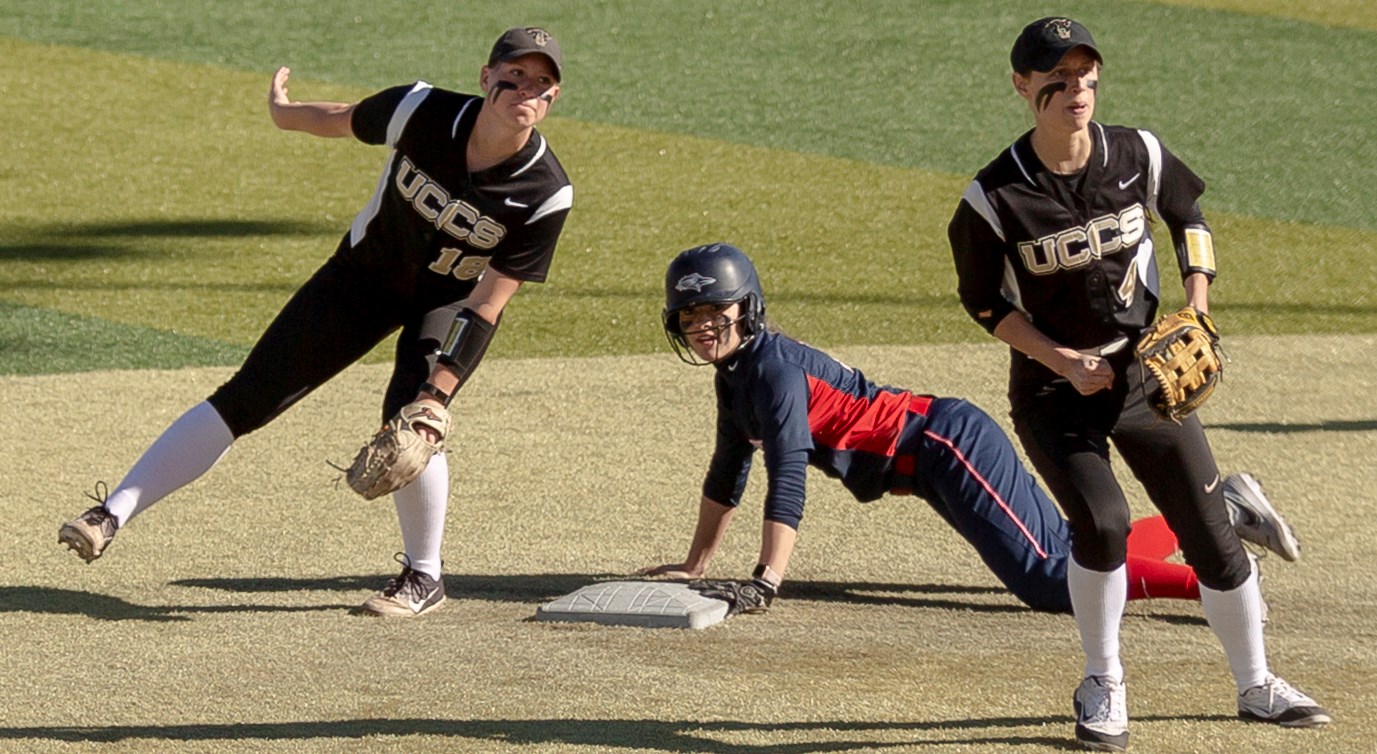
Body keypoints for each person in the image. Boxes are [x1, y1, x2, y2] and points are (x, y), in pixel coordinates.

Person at [58, 27, 573, 619]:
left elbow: (487, 304)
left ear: (552, 98)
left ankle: (424, 576)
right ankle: (110, 514)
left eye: (541, 82)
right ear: (486, 77)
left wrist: (437, 397)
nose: (525, 89)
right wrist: (284, 114)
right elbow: (343, 118)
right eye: (514, 74)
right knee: (247, 396)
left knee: (410, 421)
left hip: (447, 302)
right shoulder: (422, 110)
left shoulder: (546, 192)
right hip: (362, 278)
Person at [946, 17, 1329, 750]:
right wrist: (1060, 359)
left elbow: (1189, 217)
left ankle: (1256, 684)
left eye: (1085, 74)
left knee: (1211, 537)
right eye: (1057, 78)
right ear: (1022, 86)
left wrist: (1197, 305)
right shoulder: (993, 197)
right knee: (1103, 524)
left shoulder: (1137, 153)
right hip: (1054, 391)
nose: (1076, 89)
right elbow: (984, 304)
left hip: (1145, 377)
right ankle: (1102, 680)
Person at [640, 242, 1298, 622]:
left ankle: (1219, 581)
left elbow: (787, 475)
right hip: (934, 455)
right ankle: (1221, 509)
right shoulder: (737, 377)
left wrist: (766, 580)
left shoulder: (773, 372)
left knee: (1052, 581)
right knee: (1074, 547)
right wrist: (696, 563)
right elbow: (727, 472)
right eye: (689, 316)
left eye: (714, 311)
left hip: (945, 446)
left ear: (747, 308)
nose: (702, 327)